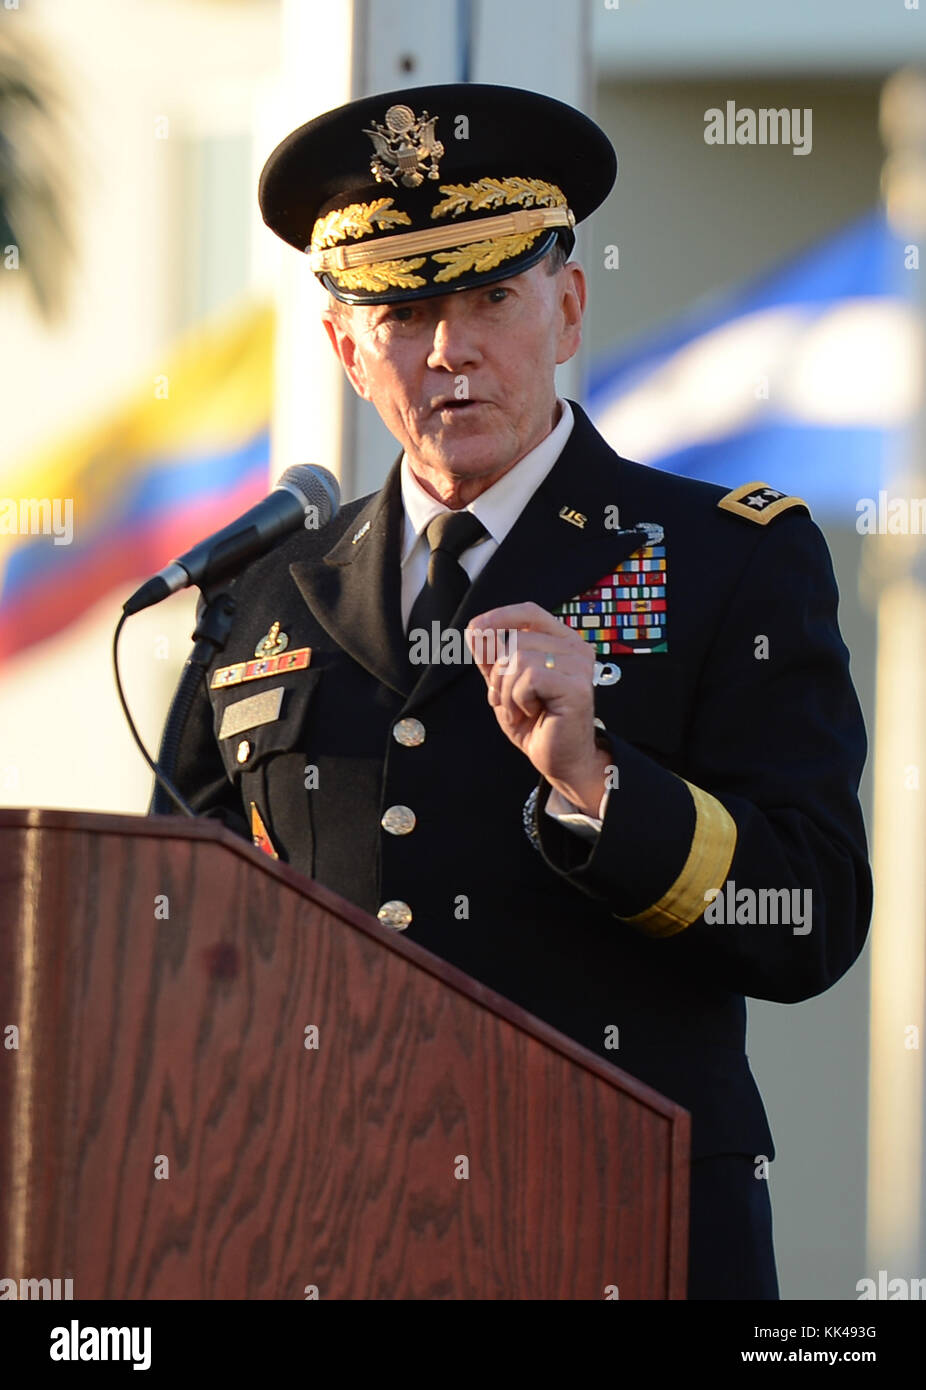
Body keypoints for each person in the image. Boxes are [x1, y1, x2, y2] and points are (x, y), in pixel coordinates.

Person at [159, 83, 873, 1299]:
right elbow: (172, 932)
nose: (448, 349)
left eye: (490, 296)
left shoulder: (716, 557)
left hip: (618, 1217)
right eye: (401, 312)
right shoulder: (261, 596)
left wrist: (598, 787)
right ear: (343, 344)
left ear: (568, 309)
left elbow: (807, 916)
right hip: (328, 1229)